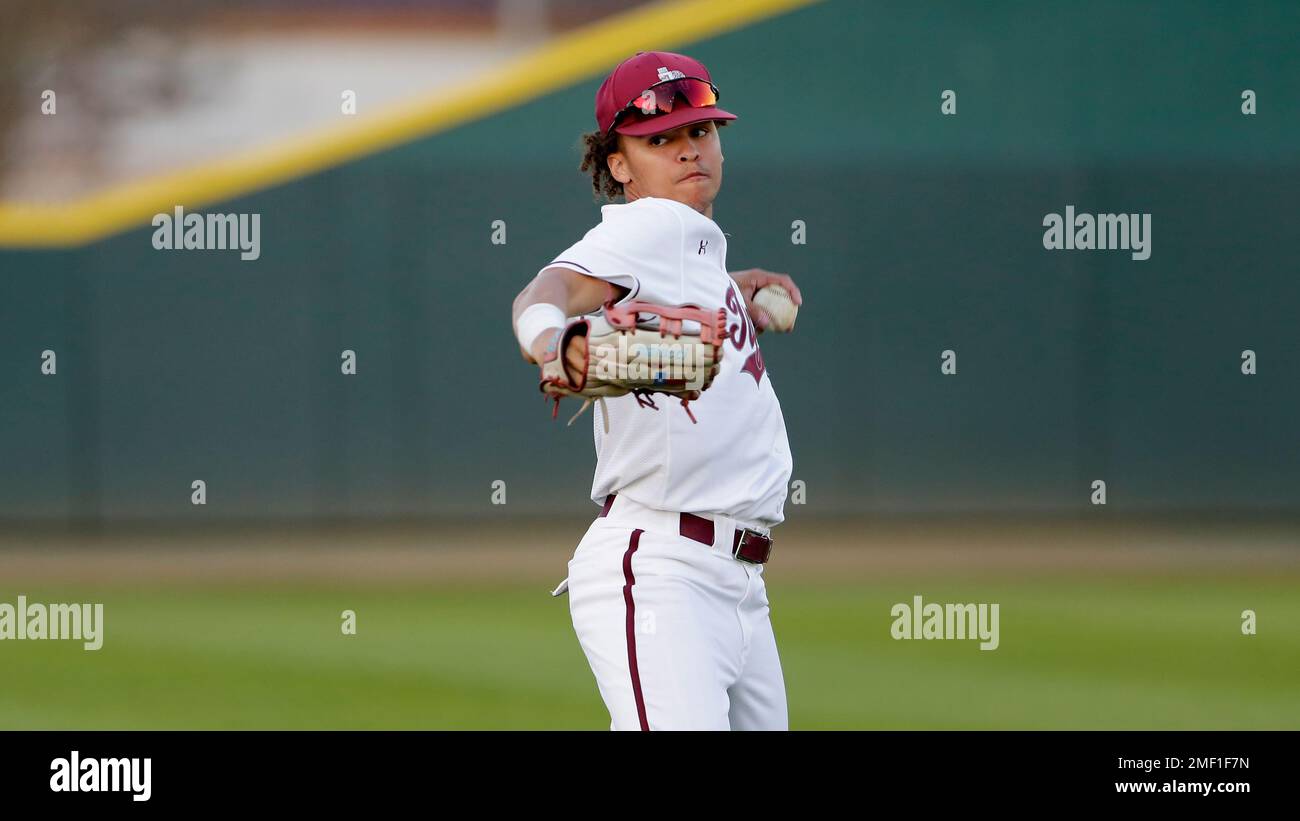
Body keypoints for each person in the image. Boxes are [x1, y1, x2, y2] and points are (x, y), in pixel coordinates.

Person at [510, 50, 803, 730]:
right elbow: (547, 289)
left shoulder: (694, 249)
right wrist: (549, 339)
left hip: (736, 582)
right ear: (619, 165)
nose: (687, 150)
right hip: (665, 569)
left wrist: (733, 295)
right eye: (659, 139)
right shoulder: (654, 227)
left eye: (699, 131)